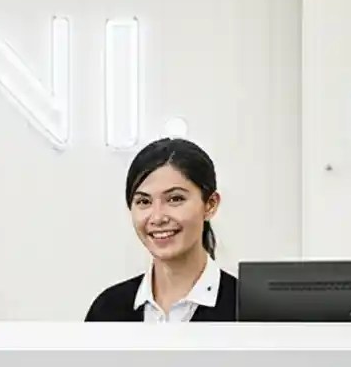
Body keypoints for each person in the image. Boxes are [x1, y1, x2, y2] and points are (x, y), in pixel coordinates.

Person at [85, 137, 237, 322]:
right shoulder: (108, 309)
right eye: (144, 202)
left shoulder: (247, 310)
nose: (157, 217)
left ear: (210, 205)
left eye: (175, 199)